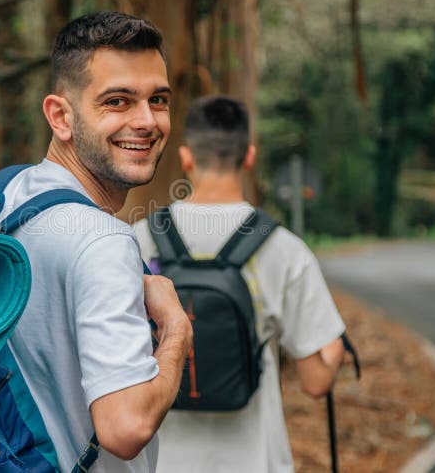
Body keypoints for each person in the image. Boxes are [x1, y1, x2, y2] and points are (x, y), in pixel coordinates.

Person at [0, 11, 192, 472]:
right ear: (60, 115)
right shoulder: (104, 242)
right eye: (118, 101)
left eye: (158, 100)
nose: (147, 121)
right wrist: (177, 330)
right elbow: (125, 428)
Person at [132, 95, 347, 472]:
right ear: (249, 157)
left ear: (185, 157)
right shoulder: (282, 248)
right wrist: (335, 353)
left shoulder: (138, 239)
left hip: (158, 461)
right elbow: (315, 382)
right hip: (254, 460)